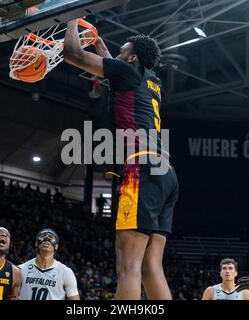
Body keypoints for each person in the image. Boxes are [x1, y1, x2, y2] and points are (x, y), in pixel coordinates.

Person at [63, 19, 179, 300]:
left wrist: (67, 18)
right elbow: (115, 68)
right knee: (152, 267)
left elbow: (73, 54)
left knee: (128, 266)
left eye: (121, 52)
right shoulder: (153, 80)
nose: (116, 56)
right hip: (166, 172)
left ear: (133, 57)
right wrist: (99, 42)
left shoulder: (127, 72)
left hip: (141, 169)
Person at [19, 228, 80, 300]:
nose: (47, 239)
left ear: (56, 246)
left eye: (51, 237)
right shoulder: (21, 269)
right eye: (43, 236)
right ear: (36, 243)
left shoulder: (65, 272)